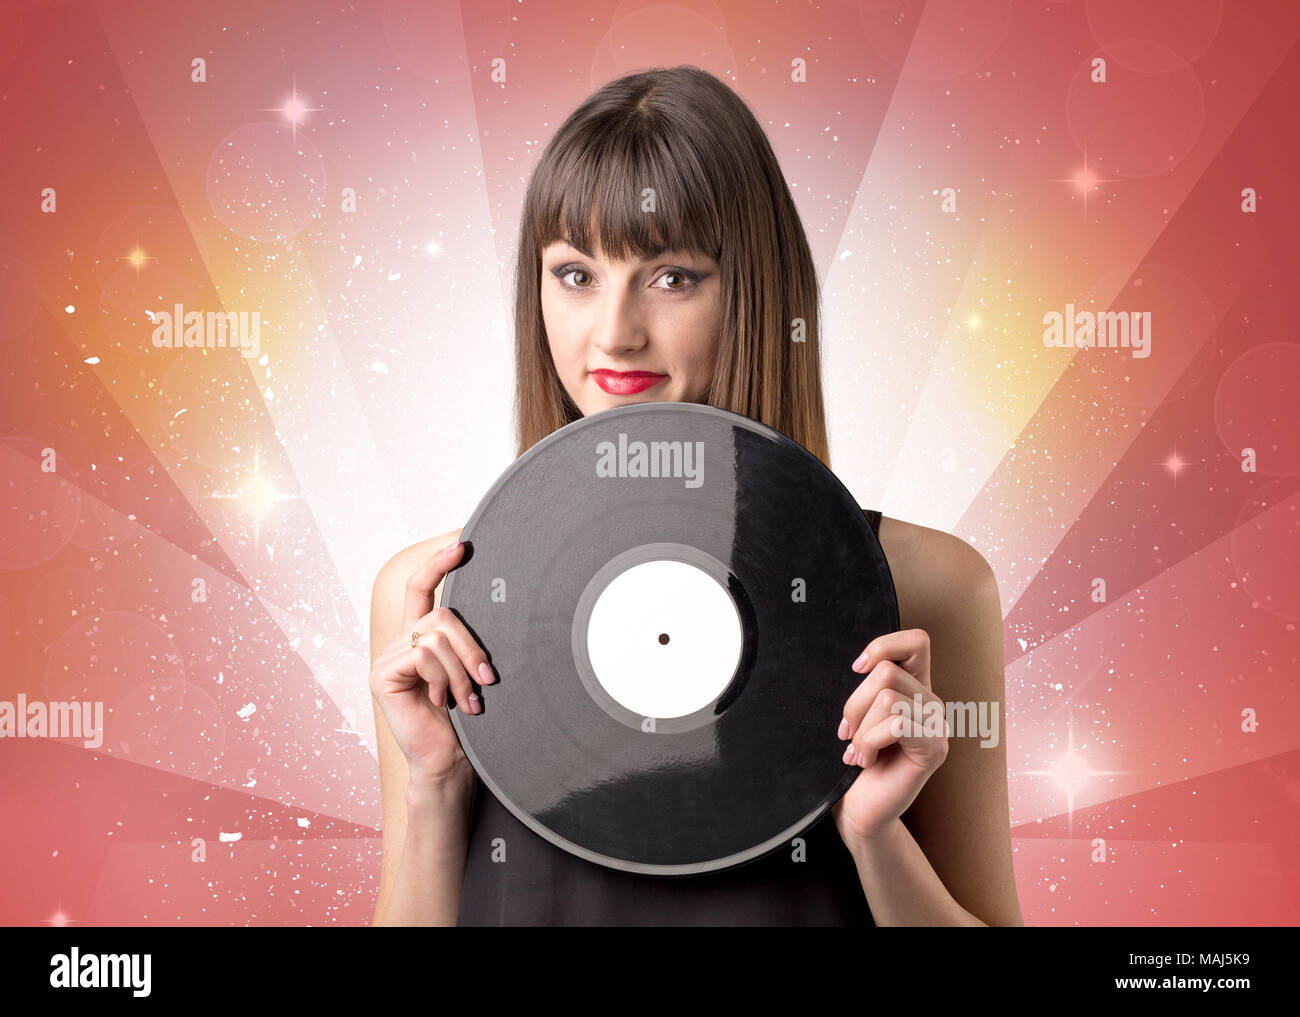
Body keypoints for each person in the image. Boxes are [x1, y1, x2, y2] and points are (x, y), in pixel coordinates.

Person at [369, 66, 1022, 926]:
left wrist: (875, 835)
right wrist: (436, 784)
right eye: (575, 274)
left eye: (672, 276)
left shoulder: (931, 586)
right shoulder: (428, 601)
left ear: (755, 293)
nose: (614, 331)